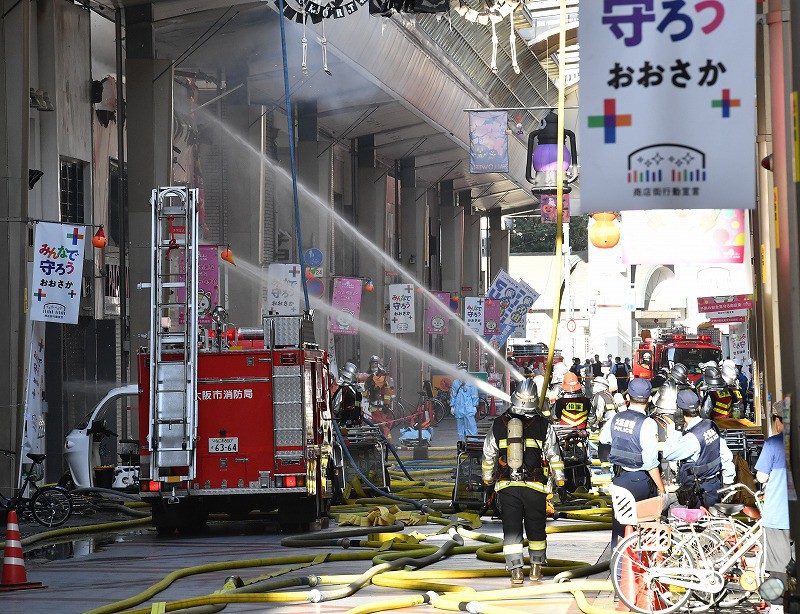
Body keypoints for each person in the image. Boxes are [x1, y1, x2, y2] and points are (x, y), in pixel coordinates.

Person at [481, 378, 565, 584]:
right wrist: (561, 482)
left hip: (506, 486)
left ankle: (516, 571)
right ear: (535, 400)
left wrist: (487, 479)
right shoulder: (543, 424)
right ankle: (536, 568)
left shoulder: (499, 423)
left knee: (511, 528)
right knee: (536, 526)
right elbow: (554, 454)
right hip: (535, 487)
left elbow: (488, 454)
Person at [598, 378, 665, 548]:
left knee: (620, 528)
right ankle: (640, 567)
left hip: (619, 480)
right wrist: (662, 489)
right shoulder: (648, 423)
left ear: (629, 397)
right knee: (645, 527)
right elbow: (650, 463)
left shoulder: (615, 418)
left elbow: (604, 438)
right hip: (640, 483)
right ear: (649, 399)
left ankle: (619, 565)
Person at [662, 390, 735, 509]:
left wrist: (678, 428)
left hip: (698, 492)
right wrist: (728, 482)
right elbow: (725, 455)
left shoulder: (691, 438)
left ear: (679, 411)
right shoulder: (710, 425)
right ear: (699, 407)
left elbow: (668, 453)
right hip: (714, 485)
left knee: (699, 525)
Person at [755, 406, 791, 614]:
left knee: (778, 566)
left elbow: (761, 476)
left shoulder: (773, 443)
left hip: (778, 515)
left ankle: (777, 607)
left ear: (778, 421)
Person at [363, 355, 395, 440]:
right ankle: (376, 443)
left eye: (375, 364)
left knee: (383, 426)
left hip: (382, 408)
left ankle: (390, 445)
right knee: (373, 426)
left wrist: (386, 405)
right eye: (372, 364)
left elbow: (387, 392)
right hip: (373, 407)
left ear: (379, 365)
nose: (373, 366)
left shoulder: (383, 377)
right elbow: (367, 392)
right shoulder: (370, 377)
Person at [451, 361, 479, 442]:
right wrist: (452, 406)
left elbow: (474, 395)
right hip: (463, 408)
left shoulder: (466, 381)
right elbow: (453, 394)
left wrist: (474, 405)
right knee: (466, 428)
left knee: (467, 428)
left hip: (464, 408)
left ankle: (469, 444)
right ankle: (466, 444)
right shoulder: (457, 382)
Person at [334, 362, 362, 426]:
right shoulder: (357, 389)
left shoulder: (343, 389)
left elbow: (335, 408)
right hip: (355, 422)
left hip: (345, 422)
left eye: (342, 376)